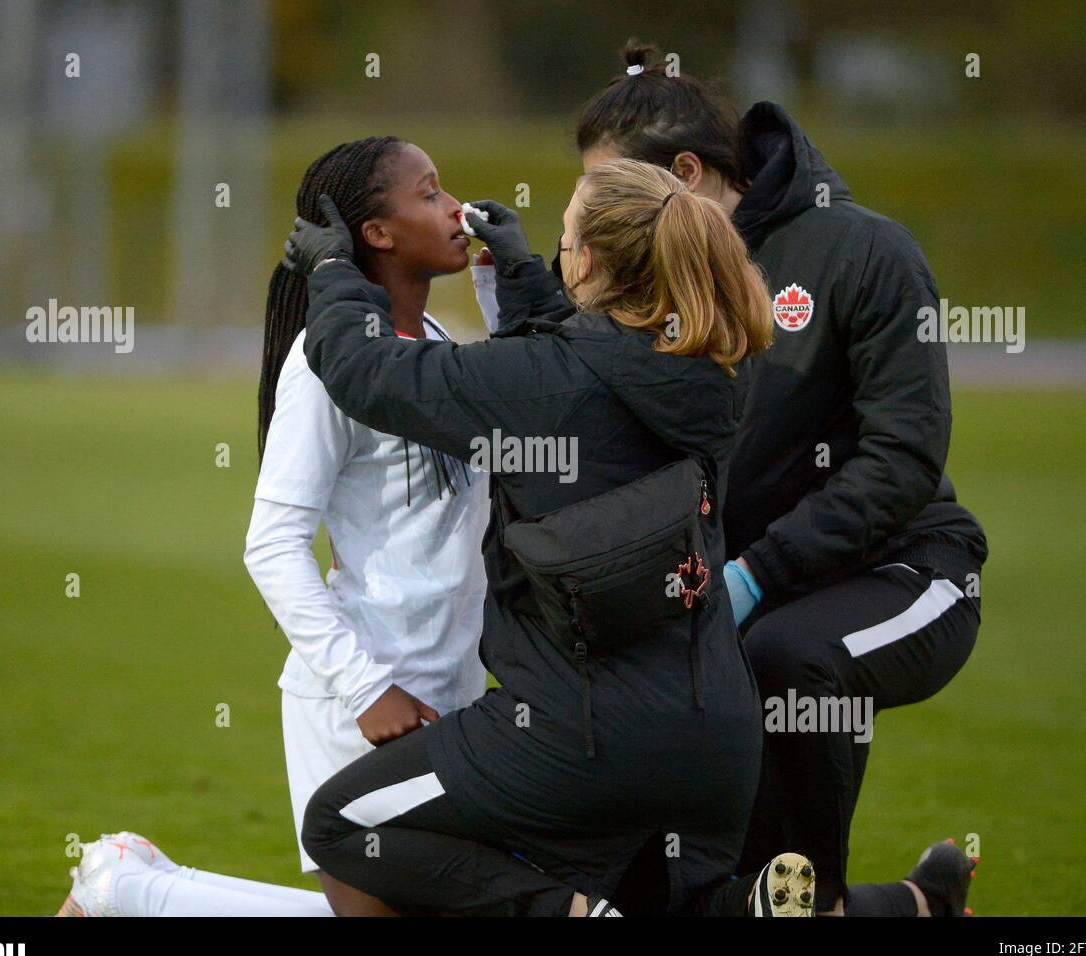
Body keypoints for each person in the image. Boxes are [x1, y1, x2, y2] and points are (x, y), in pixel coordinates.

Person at [287, 156, 802, 917]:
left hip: (581, 741)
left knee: (341, 825)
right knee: (664, 902)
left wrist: (332, 272)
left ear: (589, 260)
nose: (557, 251)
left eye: (564, 240)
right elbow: (601, 371)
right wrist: (527, 278)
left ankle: (561, 912)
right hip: (718, 741)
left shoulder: (535, 380)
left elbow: (365, 371)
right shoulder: (714, 375)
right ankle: (741, 908)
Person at [565, 41, 988, 916]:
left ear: (687, 172)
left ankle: (813, 903)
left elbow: (904, 458)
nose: (601, 214)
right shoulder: (640, 270)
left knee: (783, 659)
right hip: (729, 594)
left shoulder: (866, 253)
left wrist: (759, 573)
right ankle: (918, 903)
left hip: (905, 573)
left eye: (615, 190)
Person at [56, 137, 491, 917]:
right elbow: (271, 544)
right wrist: (366, 689)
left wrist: (503, 283)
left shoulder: (432, 348)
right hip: (365, 703)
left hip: (444, 699)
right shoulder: (323, 369)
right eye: (429, 194)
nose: (455, 206)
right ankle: (124, 892)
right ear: (378, 234)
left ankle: (131, 888)